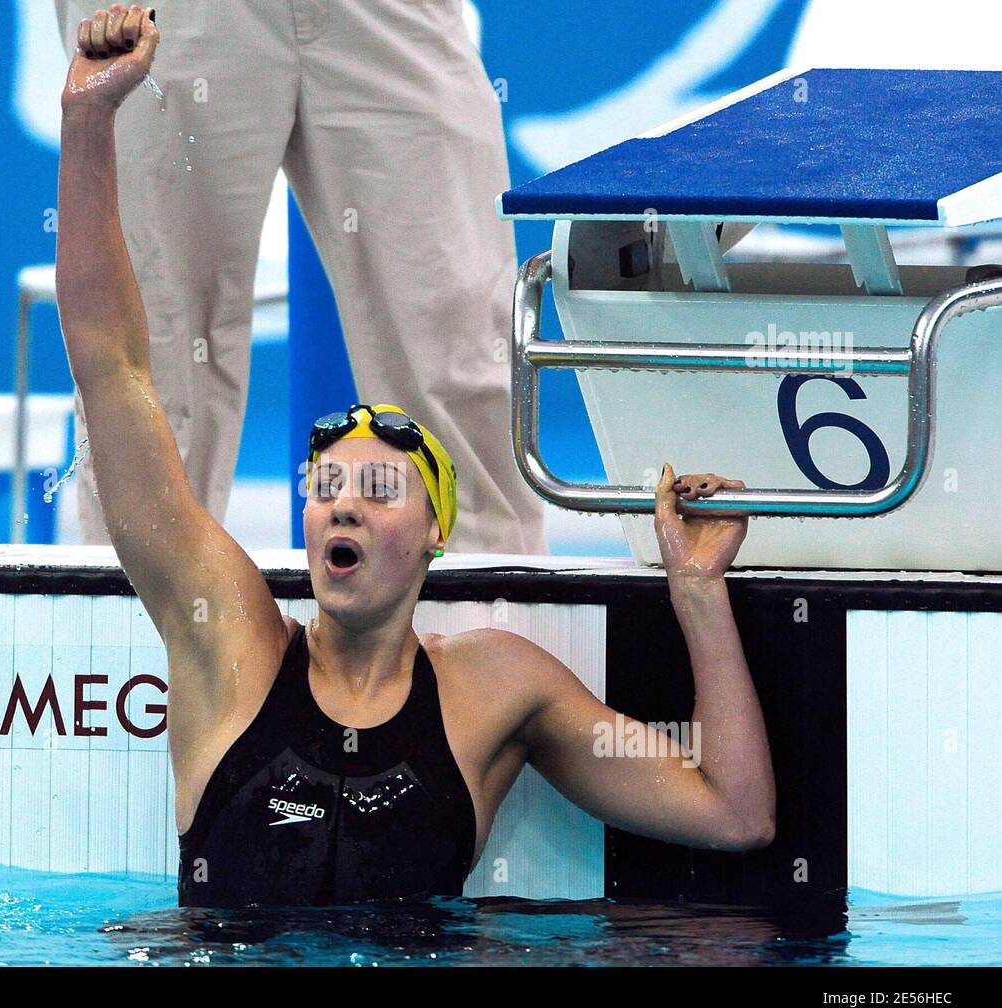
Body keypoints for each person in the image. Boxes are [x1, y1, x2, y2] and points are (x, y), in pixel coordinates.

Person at [57, 6, 775, 907]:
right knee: (170, 362)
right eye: (327, 489)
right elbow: (112, 366)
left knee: (461, 367)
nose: (343, 506)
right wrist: (86, 119)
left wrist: (701, 598)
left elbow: (737, 817)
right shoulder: (225, 644)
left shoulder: (494, 688)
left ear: (439, 533)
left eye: (378, 486)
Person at [53, 0, 548, 554]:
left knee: (456, 346)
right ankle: (137, 633)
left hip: (382, 15)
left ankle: (499, 626)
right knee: (158, 358)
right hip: (173, 16)